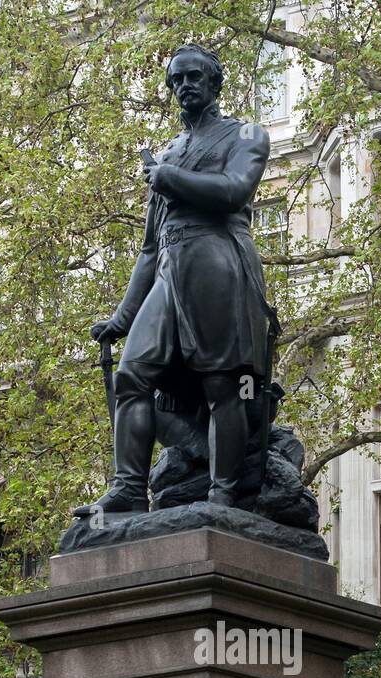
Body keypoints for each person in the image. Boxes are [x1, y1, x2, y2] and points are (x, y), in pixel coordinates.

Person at [76, 43, 273, 516]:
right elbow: (149, 245)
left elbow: (234, 191)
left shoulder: (245, 132)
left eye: (193, 77)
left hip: (217, 260)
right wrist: (122, 317)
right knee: (132, 374)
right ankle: (127, 488)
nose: (184, 85)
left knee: (222, 383)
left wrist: (166, 179)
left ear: (214, 83)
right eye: (176, 80)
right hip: (169, 266)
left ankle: (223, 495)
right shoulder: (168, 152)